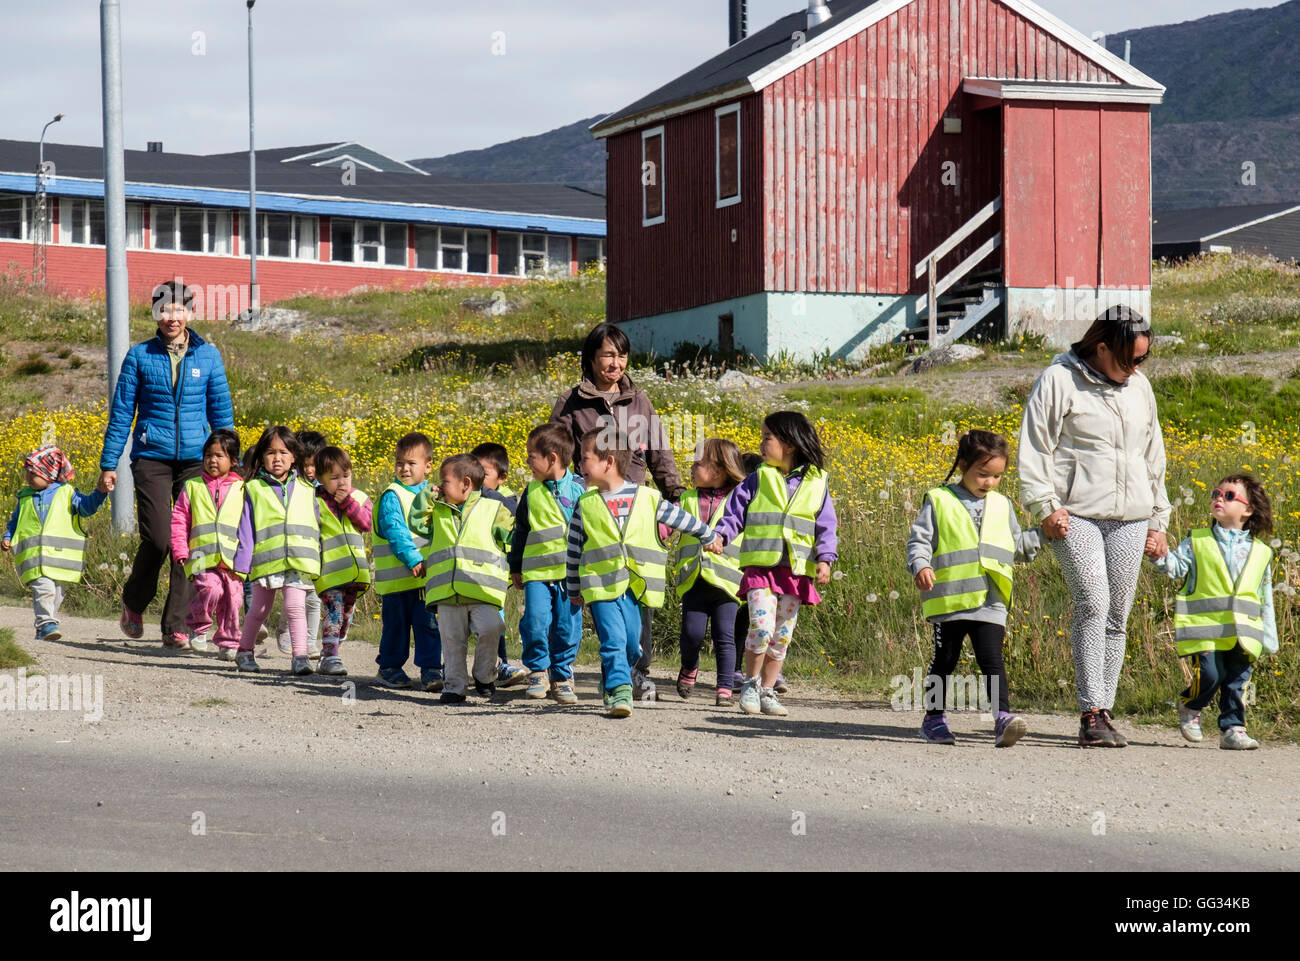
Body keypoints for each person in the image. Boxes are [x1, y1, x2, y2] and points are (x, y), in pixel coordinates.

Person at [1017, 306, 1170, 748]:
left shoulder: (1140, 387)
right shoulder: (1059, 380)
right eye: (1129, 360)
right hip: (1075, 515)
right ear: (1101, 348)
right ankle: (1090, 714)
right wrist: (1044, 506)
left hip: (1132, 518)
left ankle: (1104, 710)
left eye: (1142, 359)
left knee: (1118, 616)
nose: (1136, 368)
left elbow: (1153, 457)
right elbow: (1035, 447)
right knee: (1093, 601)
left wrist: (1158, 519)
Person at [550, 322, 686, 700]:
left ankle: (635, 671)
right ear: (591, 358)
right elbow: (556, 452)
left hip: (635, 508)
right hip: (588, 507)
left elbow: (660, 452)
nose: (616, 362)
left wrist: (673, 496)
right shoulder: (571, 402)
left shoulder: (639, 401)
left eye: (622, 355)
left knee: (638, 592)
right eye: (608, 354)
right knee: (581, 590)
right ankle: (562, 672)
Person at [99, 279, 234, 647]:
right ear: (155, 313)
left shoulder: (208, 355)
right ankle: (133, 601)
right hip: (151, 459)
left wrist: (228, 462)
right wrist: (109, 463)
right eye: (164, 310)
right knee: (159, 539)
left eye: (178, 309)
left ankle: (176, 626)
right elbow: (122, 413)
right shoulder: (140, 356)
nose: (171, 317)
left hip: (196, 461)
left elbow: (221, 413)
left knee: (188, 543)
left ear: (190, 312)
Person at [566, 429, 721, 718]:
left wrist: (706, 534)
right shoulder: (584, 504)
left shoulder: (647, 498)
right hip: (600, 586)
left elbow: (680, 518)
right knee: (613, 639)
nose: (579, 466)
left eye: (585, 459)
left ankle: (615, 675)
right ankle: (620, 690)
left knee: (630, 643)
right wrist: (574, 589)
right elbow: (573, 551)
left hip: (635, 588)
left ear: (608, 461)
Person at [906, 430, 1042, 747]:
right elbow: (919, 542)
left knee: (992, 659)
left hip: (991, 600)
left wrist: (1044, 534)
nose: (989, 483)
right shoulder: (938, 500)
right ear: (963, 465)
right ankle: (934, 719)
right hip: (949, 601)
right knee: (946, 659)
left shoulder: (1002, 505)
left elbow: (1017, 546)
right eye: (982, 474)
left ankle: (1002, 719)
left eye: (996, 476)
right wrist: (921, 565)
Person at [712, 411, 838, 718]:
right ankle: (751, 684)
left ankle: (767, 691)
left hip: (794, 572)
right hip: (761, 570)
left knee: (782, 634)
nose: (761, 443)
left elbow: (826, 525)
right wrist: (720, 535)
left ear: (790, 443)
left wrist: (825, 559)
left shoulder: (817, 483)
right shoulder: (757, 478)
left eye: (767, 437)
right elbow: (734, 513)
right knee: (762, 627)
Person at [1150, 474, 1276, 750]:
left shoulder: (1262, 552)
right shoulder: (1197, 540)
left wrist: (1269, 636)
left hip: (1245, 631)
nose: (1219, 498)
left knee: (1236, 683)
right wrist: (1159, 556)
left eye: (1229, 495)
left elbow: (1265, 596)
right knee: (1209, 675)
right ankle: (1190, 705)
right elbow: (1176, 568)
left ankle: (1233, 728)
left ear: (1248, 510)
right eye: (1216, 493)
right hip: (1205, 627)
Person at [410, 454, 512, 704]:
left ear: (465, 483)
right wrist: (425, 497)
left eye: (444, 482)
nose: (439, 486)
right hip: (446, 593)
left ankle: (485, 675)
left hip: (483, 591)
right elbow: (417, 525)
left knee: (492, 629)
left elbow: (513, 536)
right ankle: (454, 687)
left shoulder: (494, 509)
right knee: (452, 642)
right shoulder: (438, 510)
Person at [231, 426, 321, 675]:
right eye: (271, 452)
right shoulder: (253, 489)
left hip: (298, 560)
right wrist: (242, 564)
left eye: (284, 452)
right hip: (267, 562)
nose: (277, 458)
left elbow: (316, 522)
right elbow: (246, 528)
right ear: (261, 457)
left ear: (294, 456)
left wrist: (321, 555)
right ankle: (244, 651)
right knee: (259, 610)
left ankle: (300, 656)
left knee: (295, 607)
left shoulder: (307, 487)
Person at [508, 423, 587, 704]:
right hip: (537, 574)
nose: (527, 461)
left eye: (532, 456)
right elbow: (521, 531)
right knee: (535, 621)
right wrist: (515, 566)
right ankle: (538, 670)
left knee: (567, 628)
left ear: (552, 458)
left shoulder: (581, 489)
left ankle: (562, 676)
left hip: (571, 576)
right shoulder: (531, 491)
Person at [2, 446, 109, 641]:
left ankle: (44, 625)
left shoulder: (68, 493)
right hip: (34, 560)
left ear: (48, 474)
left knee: (56, 594)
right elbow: (15, 521)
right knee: (44, 589)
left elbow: (86, 508)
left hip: (61, 560)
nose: (27, 476)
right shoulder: (24, 497)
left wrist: (100, 493)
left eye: (32, 472)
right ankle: (46, 624)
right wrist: (8, 535)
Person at [674, 438, 746, 706]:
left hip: (727, 582)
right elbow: (671, 522)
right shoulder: (687, 498)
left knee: (724, 636)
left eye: (697, 463)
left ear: (717, 470)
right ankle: (689, 667)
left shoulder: (739, 499)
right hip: (694, 579)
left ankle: (724, 688)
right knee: (692, 634)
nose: (691, 468)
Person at [372, 431, 443, 690]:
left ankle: (432, 670)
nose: (404, 468)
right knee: (396, 628)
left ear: (428, 466)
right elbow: (396, 532)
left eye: (411, 463)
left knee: (429, 625)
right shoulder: (393, 495)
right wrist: (413, 558)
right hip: (399, 582)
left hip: (425, 580)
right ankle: (389, 668)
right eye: (399, 463)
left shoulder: (433, 495)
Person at [169, 429, 244, 659]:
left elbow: (248, 523)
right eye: (208, 455)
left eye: (219, 456)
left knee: (233, 599)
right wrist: (180, 549)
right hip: (201, 555)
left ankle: (228, 641)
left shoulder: (242, 488)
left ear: (232, 461)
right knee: (210, 590)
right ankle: (197, 625)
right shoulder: (193, 486)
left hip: (232, 558)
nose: (212, 460)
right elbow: (180, 519)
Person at [471, 441, 529, 688]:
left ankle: (499, 665)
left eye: (483, 474)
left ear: (502, 477)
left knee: (495, 624)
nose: (476, 479)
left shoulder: (505, 500)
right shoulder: (467, 494)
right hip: (469, 575)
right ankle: (450, 668)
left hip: (494, 578)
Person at [313, 445, 373, 677]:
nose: (342, 483)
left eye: (346, 476)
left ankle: (331, 651)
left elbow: (366, 524)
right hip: (328, 573)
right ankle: (330, 657)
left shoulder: (359, 498)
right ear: (320, 479)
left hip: (355, 574)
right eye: (334, 478)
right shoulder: (315, 502)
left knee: (346, 616)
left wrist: (347, 503)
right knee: (334, 612)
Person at [277, 429, 327, 661]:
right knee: (294, 594)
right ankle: (285, 628)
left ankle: (309, 640)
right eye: (304, 465)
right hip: (294, 549)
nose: (309, 470)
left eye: (314, 465)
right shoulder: (290, 486)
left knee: (315, 597)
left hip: (316, 551)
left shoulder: (325, 488)